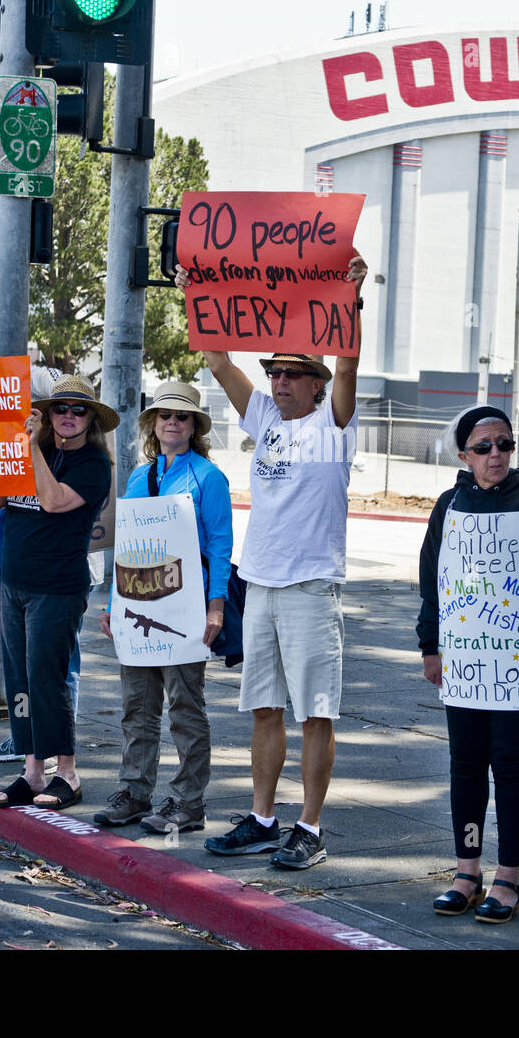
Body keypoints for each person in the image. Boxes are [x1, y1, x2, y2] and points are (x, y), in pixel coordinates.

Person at [178, 253, 366, 871]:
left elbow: (348, 363)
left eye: (292, 374)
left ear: (314, 383)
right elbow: (218, 361)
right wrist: (195, 293)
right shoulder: (264, 419)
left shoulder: (334, 426)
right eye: (275, 372)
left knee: (316, 712)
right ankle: (262, 819)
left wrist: (352, 298)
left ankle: (310, 826)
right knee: (264, 707)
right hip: (258, 585)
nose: (280, 381)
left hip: (311, 587)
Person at [416, 406, 519, 924]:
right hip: (463, 660)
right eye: (483, 447)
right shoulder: (449, 506)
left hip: (517, 660)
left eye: (504, 444)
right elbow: (432, 582)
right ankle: (467, 871)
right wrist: (431, 646)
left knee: (509, 766)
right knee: (465, 766)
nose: (496, 455)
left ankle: (508, 876)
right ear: (464, 454)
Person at [94, 381, 233, 835]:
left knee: (185, 708)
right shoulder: (139, 476)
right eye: (165, 416)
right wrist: (114, 604)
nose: (172, 422)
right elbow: (126, 547)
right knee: (137, 705)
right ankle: (135, 792)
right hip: (137, 601)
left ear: (195, 426)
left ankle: (189, 802)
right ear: (153, 424)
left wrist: (216, 608)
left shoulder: (209, 478)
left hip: (185, 607)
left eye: (182, 416)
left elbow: (219, 544)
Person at [0, 376, 116, 811]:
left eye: (78, 410)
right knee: (19, 680)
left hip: (57, 588)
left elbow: (53, 501)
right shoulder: (32, 450)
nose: (68, 416)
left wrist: (32, 449)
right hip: (14, 581)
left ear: (91, 419)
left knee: (49, 678)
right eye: (60, 408)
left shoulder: (94, 464)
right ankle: (32, 770)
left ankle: (68, 774)